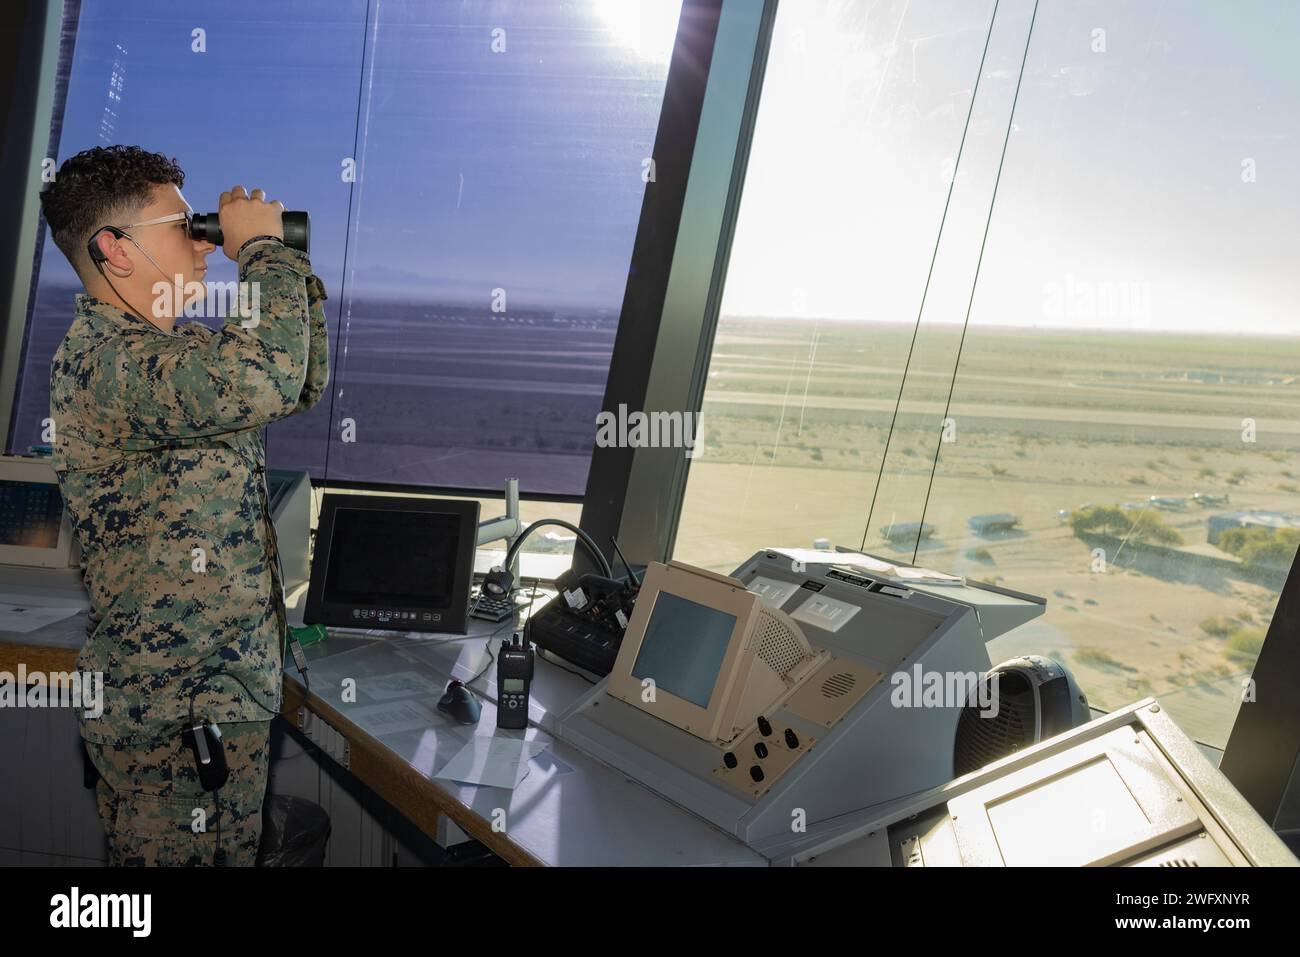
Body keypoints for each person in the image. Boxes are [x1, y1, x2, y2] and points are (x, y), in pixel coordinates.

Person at [40, 145, 329, 865]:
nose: (204, 241)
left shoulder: (164, 355)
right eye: (182, 225)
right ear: (115, 250)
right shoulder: (108, 363)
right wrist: (261, 250)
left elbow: (296, 381)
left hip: (210, 702)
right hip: (169, 718)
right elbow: (262, 376)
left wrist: (284, 262)